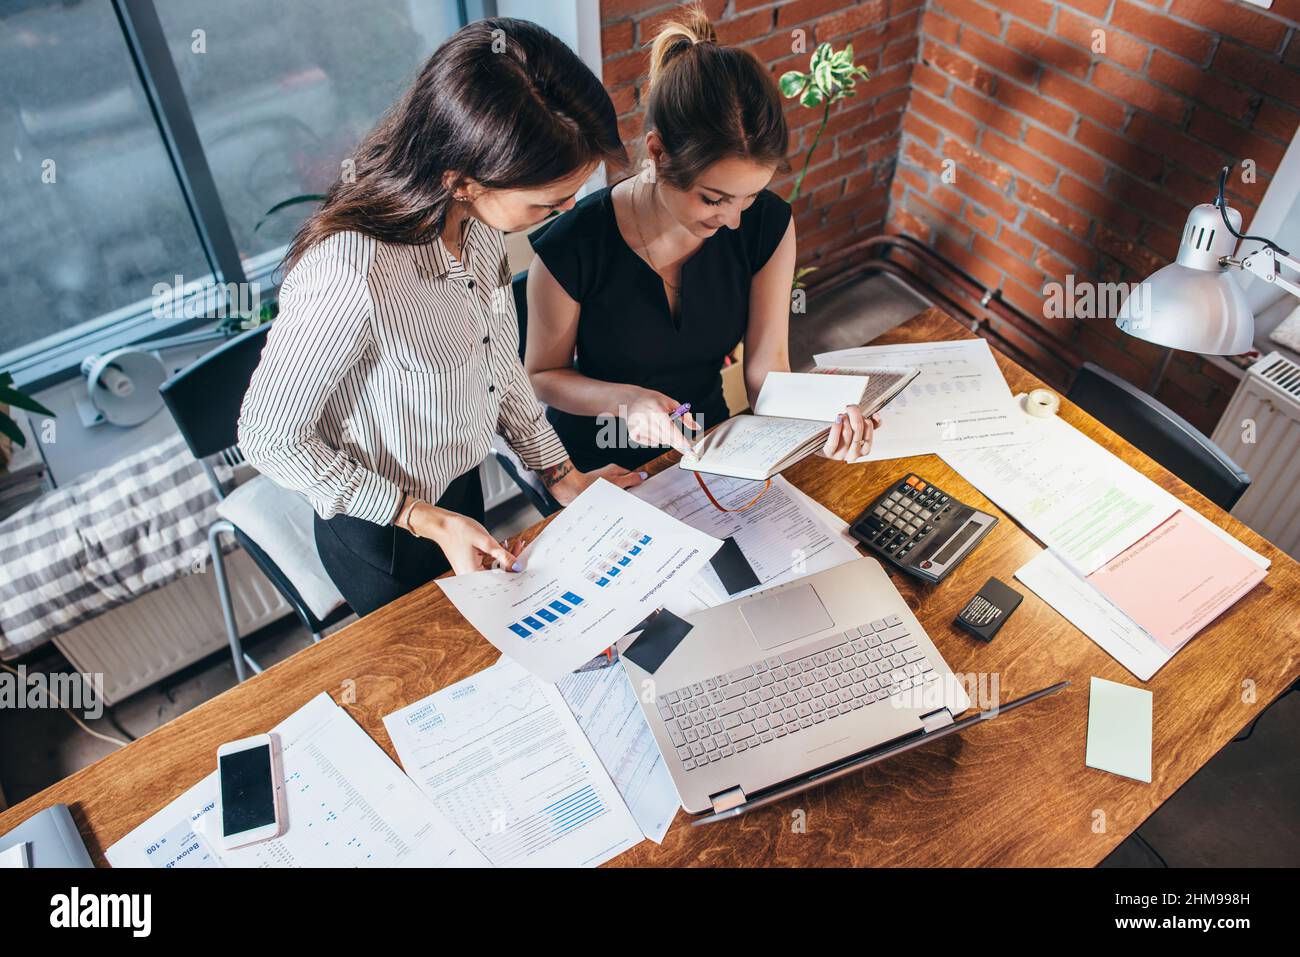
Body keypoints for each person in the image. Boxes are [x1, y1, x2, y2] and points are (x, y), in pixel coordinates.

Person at [237, 18, 642, 617]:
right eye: (547, 202)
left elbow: (500, 368)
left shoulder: (475, 228)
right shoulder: (352, 270)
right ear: (461, 179)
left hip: (458, 493)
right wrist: (417, 516)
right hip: (383, 534)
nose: (563, 212)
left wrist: (560, 473)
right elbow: (268, 436)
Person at [524, 5, 877, 475]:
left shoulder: (767, 224)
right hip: (592, 465)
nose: (733, 221)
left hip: (710, 447)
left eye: (748, 197)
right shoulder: (574, 243)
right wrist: (629, 402)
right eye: (713, 199)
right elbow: (543, 377)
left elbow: (765, 369)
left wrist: (821, 418)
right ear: (657, 151)